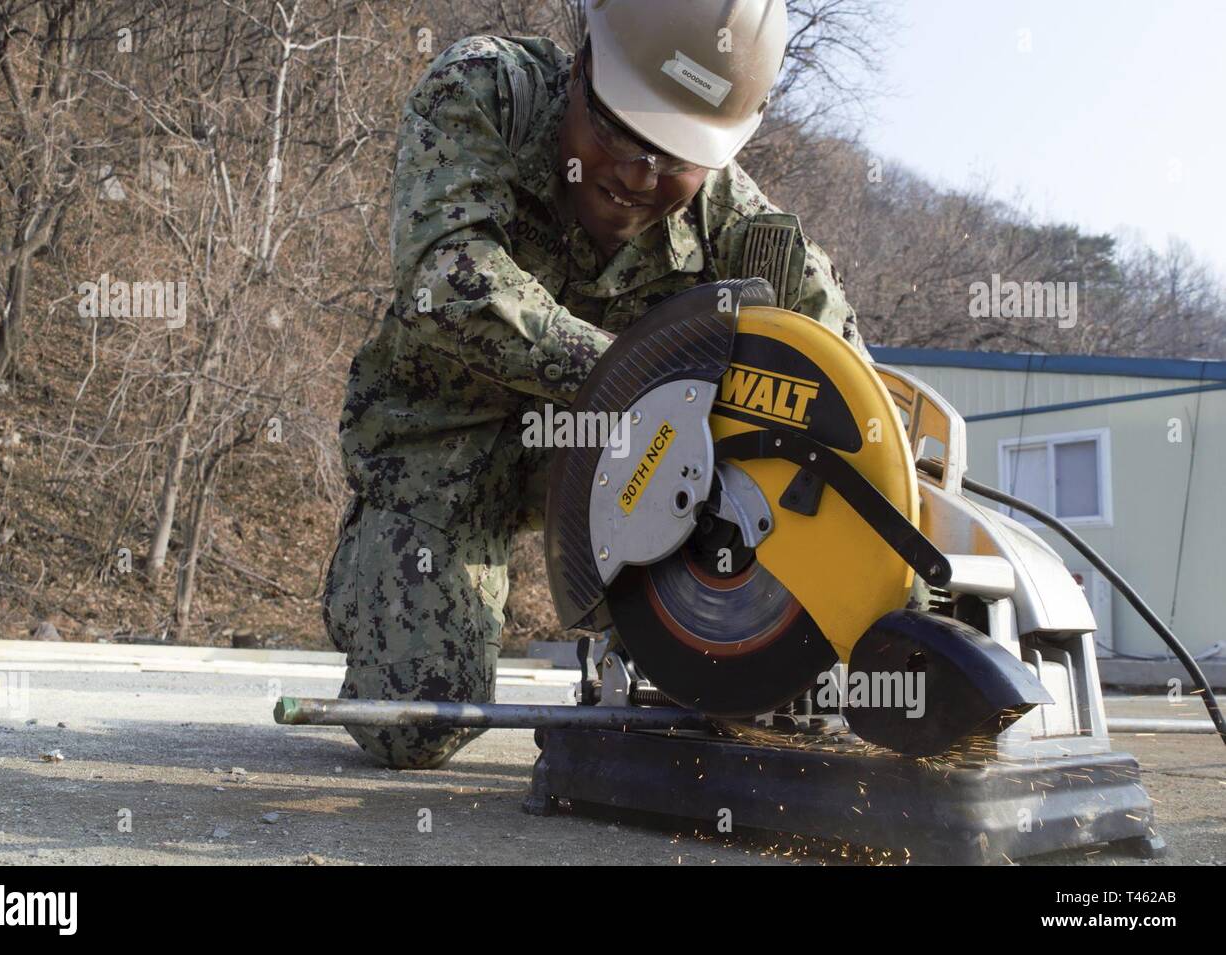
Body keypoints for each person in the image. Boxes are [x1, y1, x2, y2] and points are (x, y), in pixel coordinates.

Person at [325, 0, 865, 768]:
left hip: (630, 484)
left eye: (674, 157)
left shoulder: (749, 238)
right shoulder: (488, 94)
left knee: (735, 711)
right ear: (582, 67)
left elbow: (855, 407)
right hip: (439, 445)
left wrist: (903, 615)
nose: (637, 177)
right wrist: (637, 380)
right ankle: (377, 557)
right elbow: (444, 282)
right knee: (412, 725)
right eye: (618, 132)